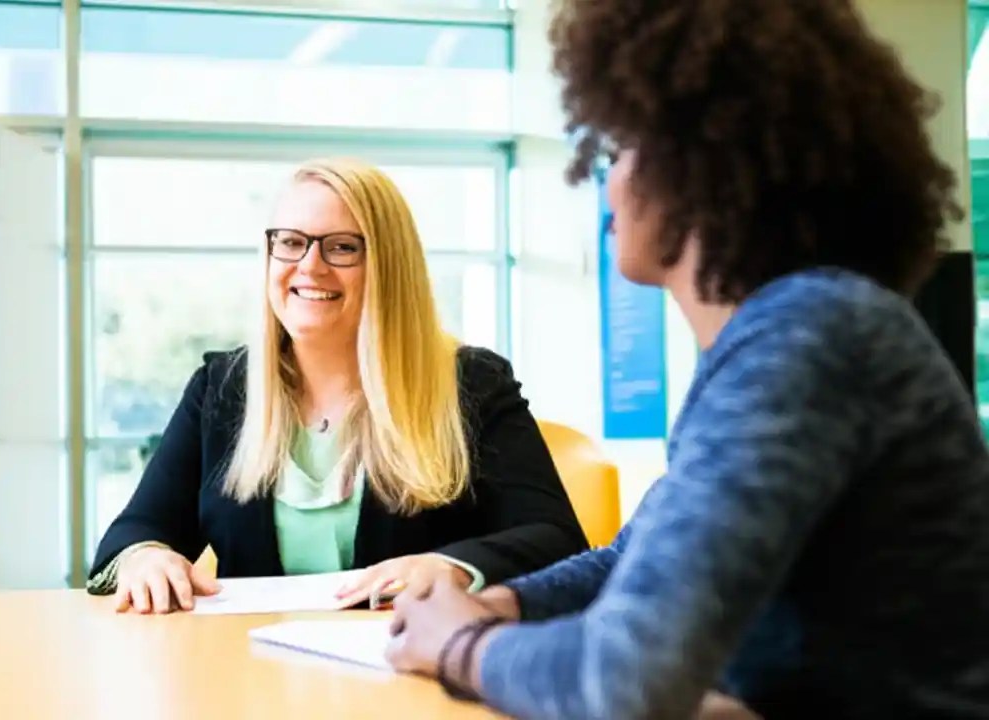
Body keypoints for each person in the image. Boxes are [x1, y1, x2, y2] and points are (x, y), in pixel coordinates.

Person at [384, 1, 989, 718]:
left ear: (699, 167)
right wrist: (502, 602)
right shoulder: (783, 334)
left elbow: (626, 680)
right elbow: (632, 559)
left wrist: (460, 646)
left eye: (620, 151)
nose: (607, 186)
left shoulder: (812, 338)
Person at [87, 157, 589, 614]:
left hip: (413, 671)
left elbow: (556, 538)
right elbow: (134, 532)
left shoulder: (470, 385)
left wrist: (452, 567)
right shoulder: (220, 390)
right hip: (251, 676)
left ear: (389, 268)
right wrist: (145, 559)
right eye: (290, 242)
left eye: (342, 247)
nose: (309, 265)